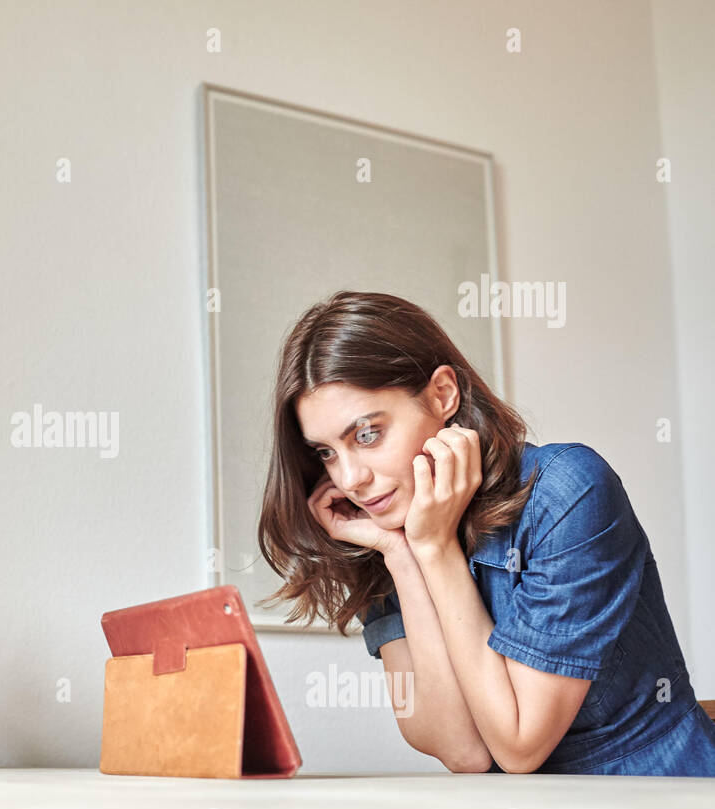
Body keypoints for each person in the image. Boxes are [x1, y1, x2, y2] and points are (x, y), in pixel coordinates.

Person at [255, 290, 715, 775]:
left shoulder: (567, 491)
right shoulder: (385, 530)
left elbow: (518, 744)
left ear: (442, 394)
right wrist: (403, 556)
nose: (349, 479)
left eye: (367, 435)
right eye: (326, 452)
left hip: (661, 806)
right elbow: (464, 752)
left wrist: (436, 549)